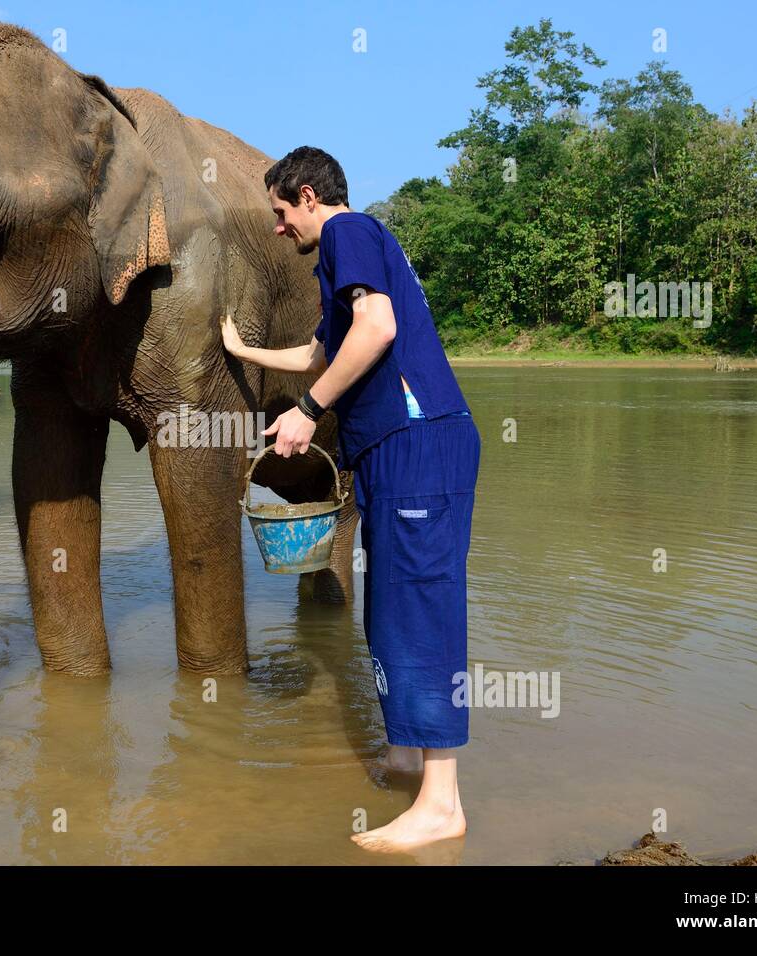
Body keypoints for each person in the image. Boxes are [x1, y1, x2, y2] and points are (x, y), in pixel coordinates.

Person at [221, 147, 481, 852]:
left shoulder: (347, 231)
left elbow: (377, 331)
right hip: (394, 453)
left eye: (279, 211)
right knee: (390, 605)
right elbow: (320, 352)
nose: (278, 227)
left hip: (417, 442)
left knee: (421, 606)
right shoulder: (342, 260)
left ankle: (442, 803)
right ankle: (405, 757)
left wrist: (307, 412)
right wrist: (245, 352)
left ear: (308, 195)